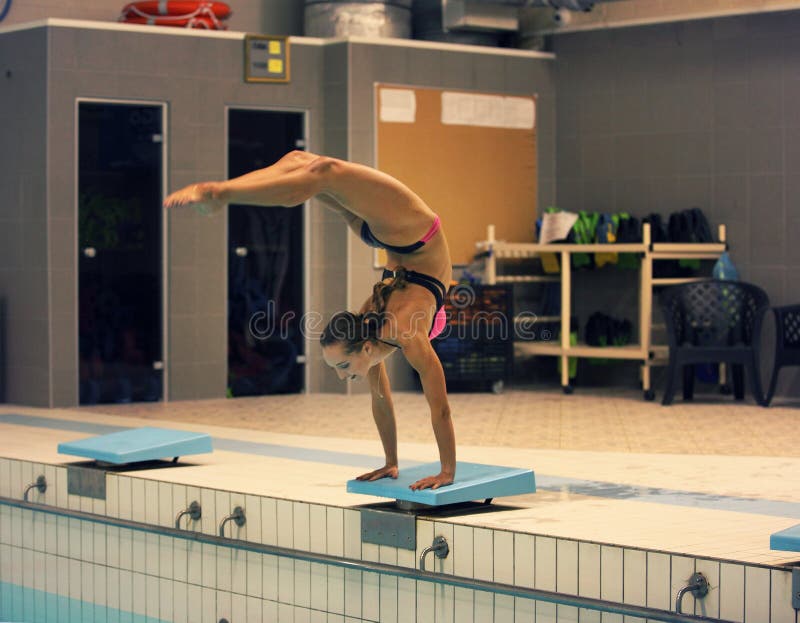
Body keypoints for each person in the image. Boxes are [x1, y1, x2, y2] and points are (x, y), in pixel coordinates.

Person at [164, 150, 455, 491]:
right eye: (341, 368)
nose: (345, 376)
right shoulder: (386, 336)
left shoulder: (383, 334)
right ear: (365, 346)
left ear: (363, 347)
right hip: (412, 234)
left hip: (405, 237)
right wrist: (404, 465)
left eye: (342, 366)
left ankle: (221, 193)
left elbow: (414, 406)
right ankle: (220, 193)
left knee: (317, 169)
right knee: (314, 168)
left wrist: (430, 469)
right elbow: (412, 405)